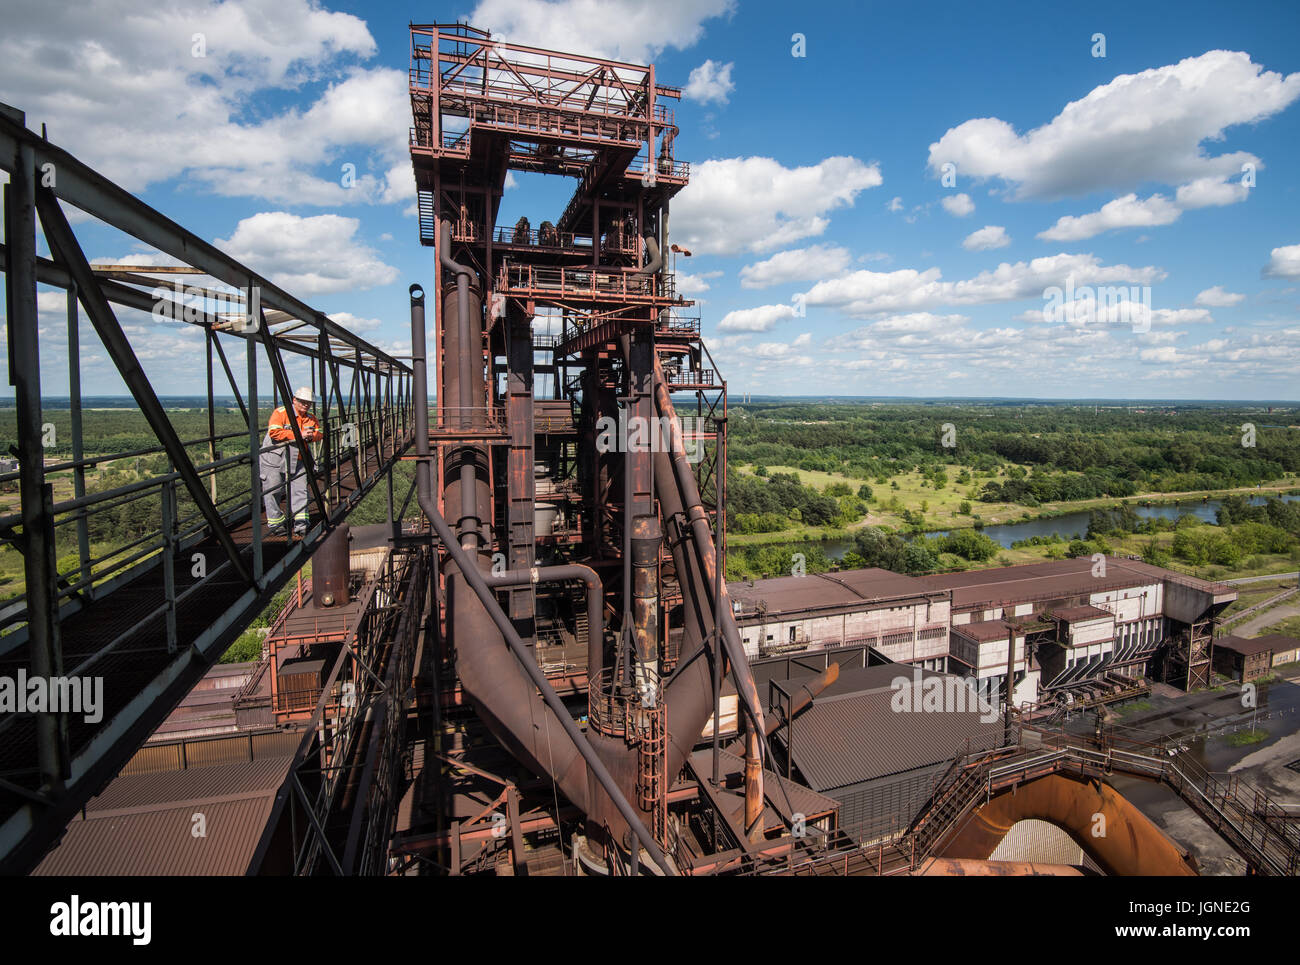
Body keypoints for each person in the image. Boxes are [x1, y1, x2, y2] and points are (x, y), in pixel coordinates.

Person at [260, 386, 323, 536]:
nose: (305, 405)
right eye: (302, 402)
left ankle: (301, 526)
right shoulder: (281, 413)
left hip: (297, 459)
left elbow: (319, 433)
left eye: (308, 402)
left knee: (300, 491)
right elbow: (274, 432)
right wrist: (298, 434)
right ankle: (276, 524)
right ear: (294, 400)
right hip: (274, 459)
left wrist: (310, 436)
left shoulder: (311, 418)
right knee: (273, 490)